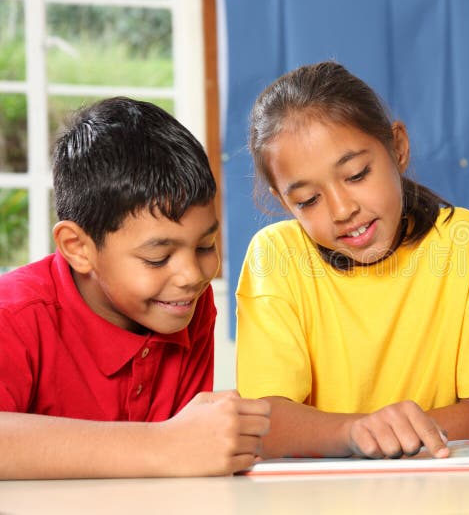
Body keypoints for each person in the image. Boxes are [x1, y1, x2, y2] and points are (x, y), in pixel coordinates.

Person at [237, 61, 469, 459]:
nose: (342, 209)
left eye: (356, 174)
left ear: (397, 148)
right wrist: (358, 432)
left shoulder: (461, 240)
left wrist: (389, 433)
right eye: (308, 200)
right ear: (284, 203)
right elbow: (265, 424)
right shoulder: (274, 258)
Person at [0, 97, 270, 479]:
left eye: (206, 246)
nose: (191, 274)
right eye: (158, 258)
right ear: (79, 248)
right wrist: (164, 444)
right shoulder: (14, 315)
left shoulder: (183, 307)